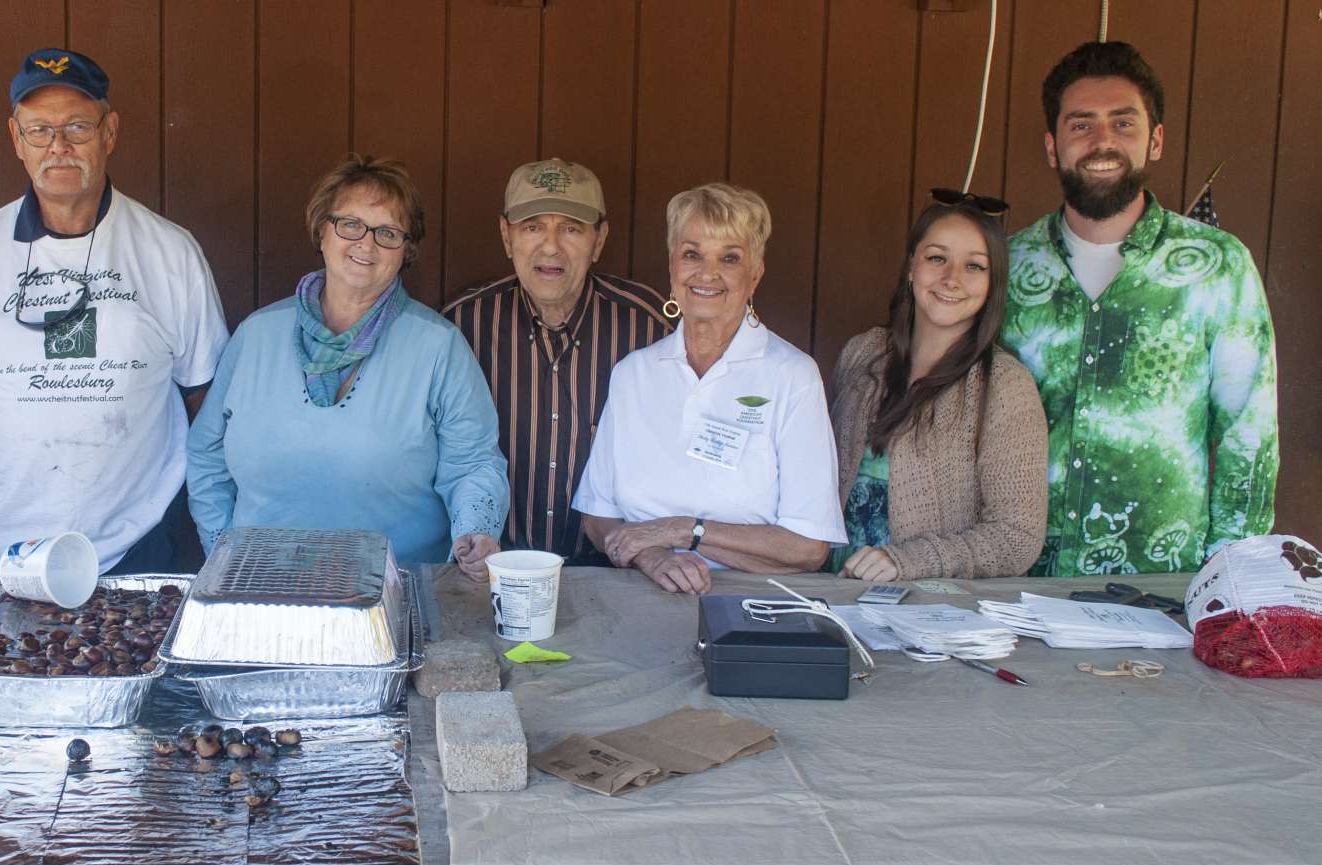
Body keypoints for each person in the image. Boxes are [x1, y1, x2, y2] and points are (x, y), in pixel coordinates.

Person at [0, 48, 228, 596]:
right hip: (3, 550)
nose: (58, 145)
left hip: (139, 544)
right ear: (16, 138)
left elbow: (204, 397)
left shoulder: (169, 251)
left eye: (78, 126)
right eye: (40, 130)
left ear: (110, 132)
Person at [1004, 40, 1278, 575]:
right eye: (1081, 124)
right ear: (1052, 145)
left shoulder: (1217, 265)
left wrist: (1230, 577)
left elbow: (1249, 432)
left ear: (1154, 140)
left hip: (1161, 581)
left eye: (1123, 123)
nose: (1102, 141)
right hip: (1018, 575)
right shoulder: (1008, 265)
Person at [186, 155, 507, 575]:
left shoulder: (437, 346)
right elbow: (206, 454)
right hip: (260, 590)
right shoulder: (257, 334)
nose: (366, 244)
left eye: (387, 232)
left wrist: (476, 532)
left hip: (395, 591)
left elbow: (474, 463)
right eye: (350, 224)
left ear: (406, 250)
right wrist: (223, 553)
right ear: (322, 230)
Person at [575, 182, 844, 593]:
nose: (707, 273)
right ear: (672, 268)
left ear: (755, 275)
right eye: (692, 253)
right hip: (637, 596)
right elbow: (596, 515)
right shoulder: (635, 373)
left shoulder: (791, 375)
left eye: (730, 258)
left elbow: (808, 547)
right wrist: (653, 556)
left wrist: (683, 531)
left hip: (750, 605)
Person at [443, 158, 673, 565]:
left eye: (571, 228)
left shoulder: (650, 329)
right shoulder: (460, 326)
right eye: (532, 227)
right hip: (490, 567)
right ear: (506, 236)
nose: (551, 246)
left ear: (599, 240)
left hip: (617, 572)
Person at [827, 191, 1048, 581]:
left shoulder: (1005, 386)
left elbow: (1017, 538)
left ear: (993, 282)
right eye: (937, 258)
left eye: (974, 266)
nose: (951, 279)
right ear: (912, 265)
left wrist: (908, 561)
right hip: (832, 591)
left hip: (929, 612)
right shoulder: (862, 354)